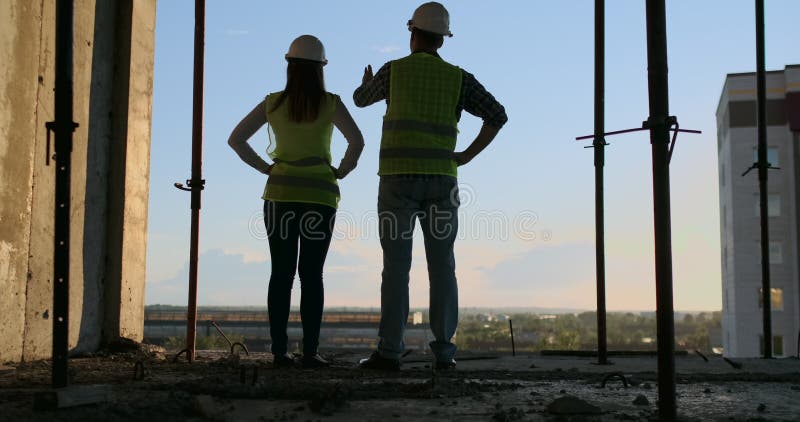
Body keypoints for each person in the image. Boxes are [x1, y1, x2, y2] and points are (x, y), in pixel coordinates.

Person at [353, 2, 507, 370]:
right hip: (442, 182)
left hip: (397, 182)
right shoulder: (459, 78)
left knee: (396, 268)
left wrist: (365, 83)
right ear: (442, 39)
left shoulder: (394, 72)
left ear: (413, 33)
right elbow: (497, 115)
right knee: (442, 267)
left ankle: (390, 351)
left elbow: (361, 101)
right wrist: (467, 154)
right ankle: (444, 354)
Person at [227, 35, 364, 369]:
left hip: (280, 196)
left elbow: (236, 139)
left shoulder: (272, 103)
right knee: (312, 275)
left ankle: (278, 352)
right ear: (321, 69)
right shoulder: (330, 103)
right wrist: (340, 171)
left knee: (281, 274)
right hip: (320, 196)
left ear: (289, 66)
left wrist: (267, 168)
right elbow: (356, 141)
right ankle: (310, 352)